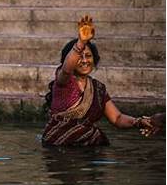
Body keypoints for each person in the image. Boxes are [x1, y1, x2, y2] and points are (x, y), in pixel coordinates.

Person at [42, 15, 154, 146]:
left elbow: (117, 118)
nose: (84, 60)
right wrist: (81, 43)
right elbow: (67, 69)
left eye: (88, 56)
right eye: (80, 56)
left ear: (94, 60)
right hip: (59, 146)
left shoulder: (98, 88)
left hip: (87, 146)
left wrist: (138, 121)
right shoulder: (64, 81)